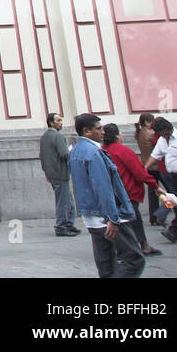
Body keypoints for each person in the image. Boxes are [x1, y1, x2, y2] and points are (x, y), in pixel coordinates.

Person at [68, 113, 146, 278]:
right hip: (107, 216)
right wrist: (113, 218)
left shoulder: (75, 151)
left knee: (106, 264)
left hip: (91, 216)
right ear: (86, 131)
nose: (103, 132)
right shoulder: (94, 152)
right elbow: (103, 187)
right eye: (98, 129)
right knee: (134, 259)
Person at [102, 123, 163, 257]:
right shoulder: (123, 151)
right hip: (127, 191)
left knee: (117, 220)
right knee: (133, 219)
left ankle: (121, 247)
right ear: (117, 135)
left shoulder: (102, 151)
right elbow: (139, 172)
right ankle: (143, 245)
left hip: (112, 193)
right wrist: (156, 186)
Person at [40, 112, 79, 237]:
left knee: (67, 199)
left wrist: (46, 172)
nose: (61, 123)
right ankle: (62, 226)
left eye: (61, 120)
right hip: (60, 172)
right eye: (58, 120)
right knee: (64, 201)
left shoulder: (44, 137)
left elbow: (42, 156)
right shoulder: (57, 136)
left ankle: (69, 224)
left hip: (52, 172)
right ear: (51, 123)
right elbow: (64, 153)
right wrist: (71, 151)